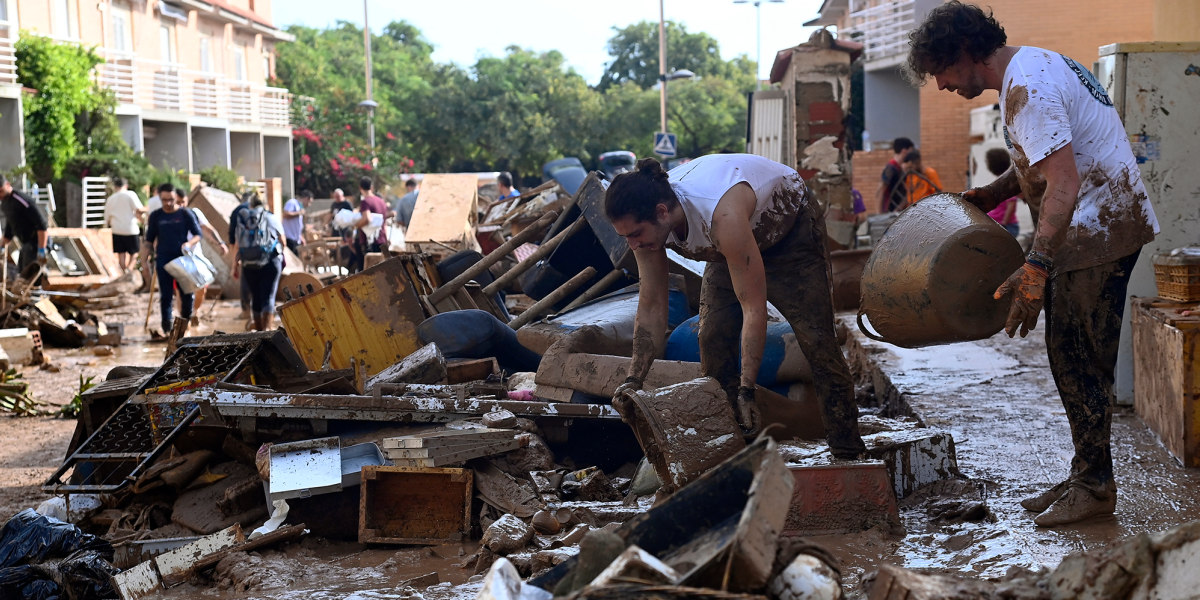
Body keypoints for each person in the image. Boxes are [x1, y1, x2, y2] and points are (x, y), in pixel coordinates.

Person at [906, 1, 1159, 526]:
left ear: (968, 53)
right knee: (1070, 354)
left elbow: (1063, 181)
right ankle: (1086, 474)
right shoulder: (1036, 65)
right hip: (1098, 223)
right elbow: (1045, 166)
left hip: (1097, 231)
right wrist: (993, 190)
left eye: (943, 72)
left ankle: (1094, 485)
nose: (943, 87)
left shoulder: (1028, 90)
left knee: (1078, 359)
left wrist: (1036, 266)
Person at [604, 156, 866, 461]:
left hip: (789, 234)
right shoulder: (647, 230)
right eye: (625, 237)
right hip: (729, 245)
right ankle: (729, 451)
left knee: (817, 341)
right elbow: (651, 306)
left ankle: (847, 450)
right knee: (712, 335)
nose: (632, 245)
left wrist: (747, 389)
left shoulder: (721, 215)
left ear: (662, 213)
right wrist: (633, 379)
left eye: (635, 235)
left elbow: (752, 308)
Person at [144, 183, 202, 337]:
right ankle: (168, 330)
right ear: (160, 198)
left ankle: (184, 327)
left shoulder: (185, 214)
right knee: (166, 296)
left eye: (170, 199)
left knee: (186, 294)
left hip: (182, 259)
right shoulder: (156, 216)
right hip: (163, 259)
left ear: (176, 197)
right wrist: (143, 261)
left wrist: (189, 243)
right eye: (164, 200)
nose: (168, 203)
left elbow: (198, 234)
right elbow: (149, 240)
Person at [175, 187, 228, 325]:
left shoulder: (194, 213)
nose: (181, 205)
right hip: (178, 259)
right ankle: (183, 323)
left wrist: (220, 243)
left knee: (201, 289)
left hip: (196, 258)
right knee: (181, 292)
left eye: (183, 202)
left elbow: (208, 229)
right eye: (178, 202)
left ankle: (194, 312)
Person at [233, 193, 284, 331]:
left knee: (256, 296)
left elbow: (238, 245)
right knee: (268, 296)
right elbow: (283, 241)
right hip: (271, 262)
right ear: (265, 204)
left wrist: (234, 266)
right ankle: (267, 329)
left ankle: (259, 332)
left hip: (249, 263)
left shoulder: (244, 221)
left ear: (250, 205)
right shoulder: (271, 218)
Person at [0, 174, 48, 275]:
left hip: (36, 243)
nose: (0, 195)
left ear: (8, 185)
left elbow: (42, 225)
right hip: (26, 243)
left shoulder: (22, 201)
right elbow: (10, 226)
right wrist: (2, 245)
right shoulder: (5, 203)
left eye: (1, 191)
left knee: (29, 276)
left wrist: (41, 249)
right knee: (21, 273)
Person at [103, 177, 143, 273]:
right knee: (134, 252)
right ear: (126, 186)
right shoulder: (130, 195)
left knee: (121, 253)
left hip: (117, 229)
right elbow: (139, 209)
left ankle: (123, 271)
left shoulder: (111, 198)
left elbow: (106, 217)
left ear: (116, 186)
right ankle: (129, 269)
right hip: (130, 228)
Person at [352, 177, 388, 273]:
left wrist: (356, 225)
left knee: (367, 272)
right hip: (382, 239)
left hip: (370, 242)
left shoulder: (365, 202)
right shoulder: (381, 201)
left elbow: (367, 219)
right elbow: (385, 222)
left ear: (360, 188)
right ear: (371, 187)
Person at [984, 148, 1021, 237]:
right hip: (998, 225)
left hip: (1007, 227)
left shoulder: (1006, 184)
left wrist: (1004, 224)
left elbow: (1011, 205)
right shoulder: (1000, 182)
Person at [877, 137, 915, 213]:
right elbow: (881, 191)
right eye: (910, 151)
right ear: (904, 151)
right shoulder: (891, 168)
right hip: (888, 212)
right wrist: (879, 213)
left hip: (898, 212)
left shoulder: (901, 169)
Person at [282, 190, 312, 255]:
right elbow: (285, 214)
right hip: (290, 239)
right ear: (306, 199)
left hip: (295, 240)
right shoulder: (292, 203)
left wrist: (300, 237)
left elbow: (297, 225)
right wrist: (299, 213)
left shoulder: (299, 206)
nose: (309, 205)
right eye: (309, 202)